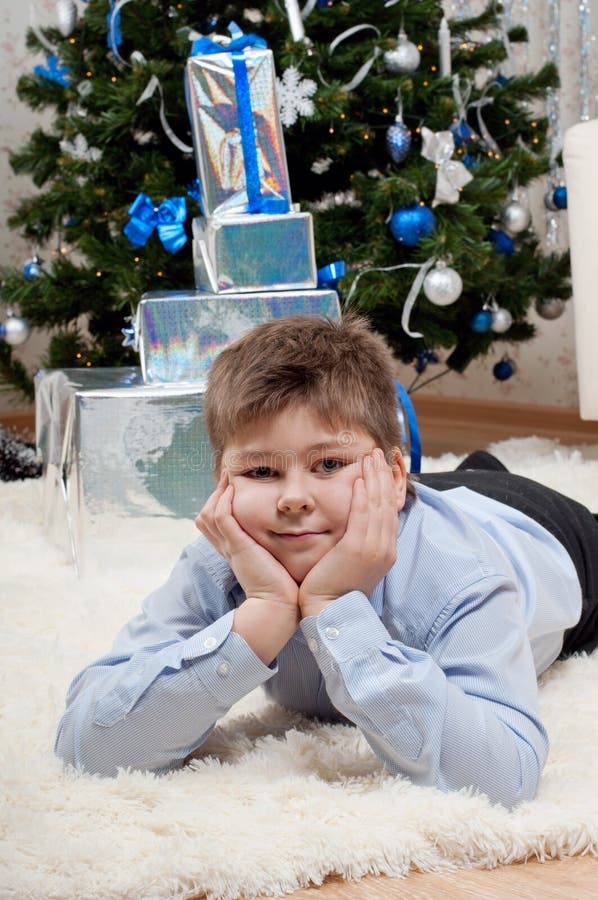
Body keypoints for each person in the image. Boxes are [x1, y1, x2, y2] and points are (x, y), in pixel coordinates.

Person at [55, 315, 598, 808]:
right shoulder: (220, 561)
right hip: (394, 497)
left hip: (547, 535)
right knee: (377, 494)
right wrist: (259, 617)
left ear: (392, 471)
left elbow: (505, 779)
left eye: (328, 462)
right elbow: (86, 744)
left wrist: (335, 608)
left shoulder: (461, 573)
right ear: (223, 480)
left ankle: (476, 479)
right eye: (261, 472)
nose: (293, 498)